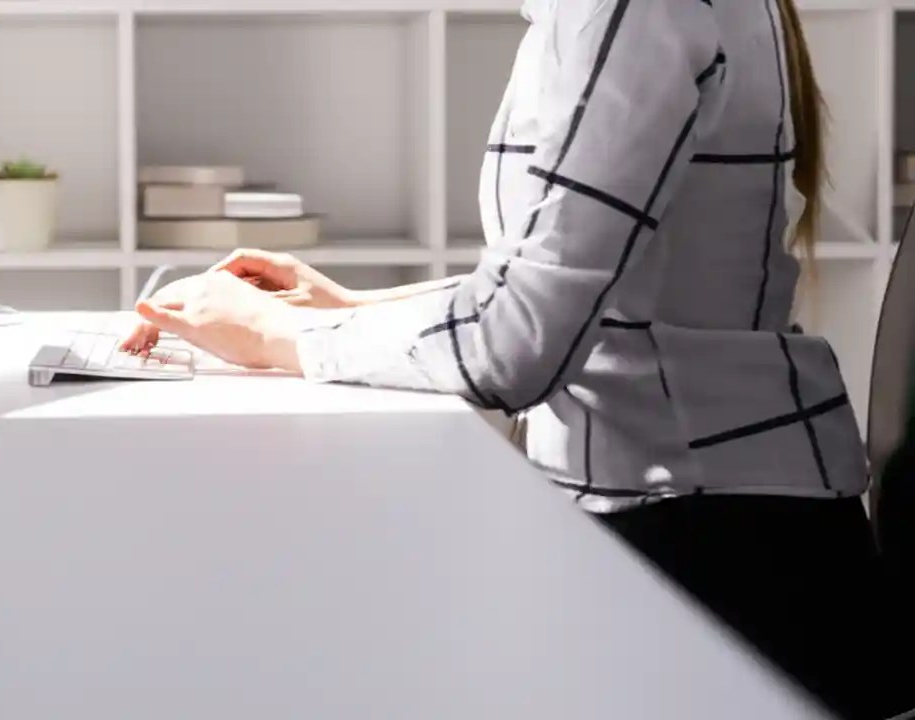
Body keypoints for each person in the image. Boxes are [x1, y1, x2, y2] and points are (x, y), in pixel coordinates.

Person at [125, 1, 910, 717]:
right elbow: (593, 278)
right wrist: (355, 309)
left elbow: (521, 349)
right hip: (722, 525)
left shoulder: (632, 10)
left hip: (714, 558)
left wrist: (277, 339)